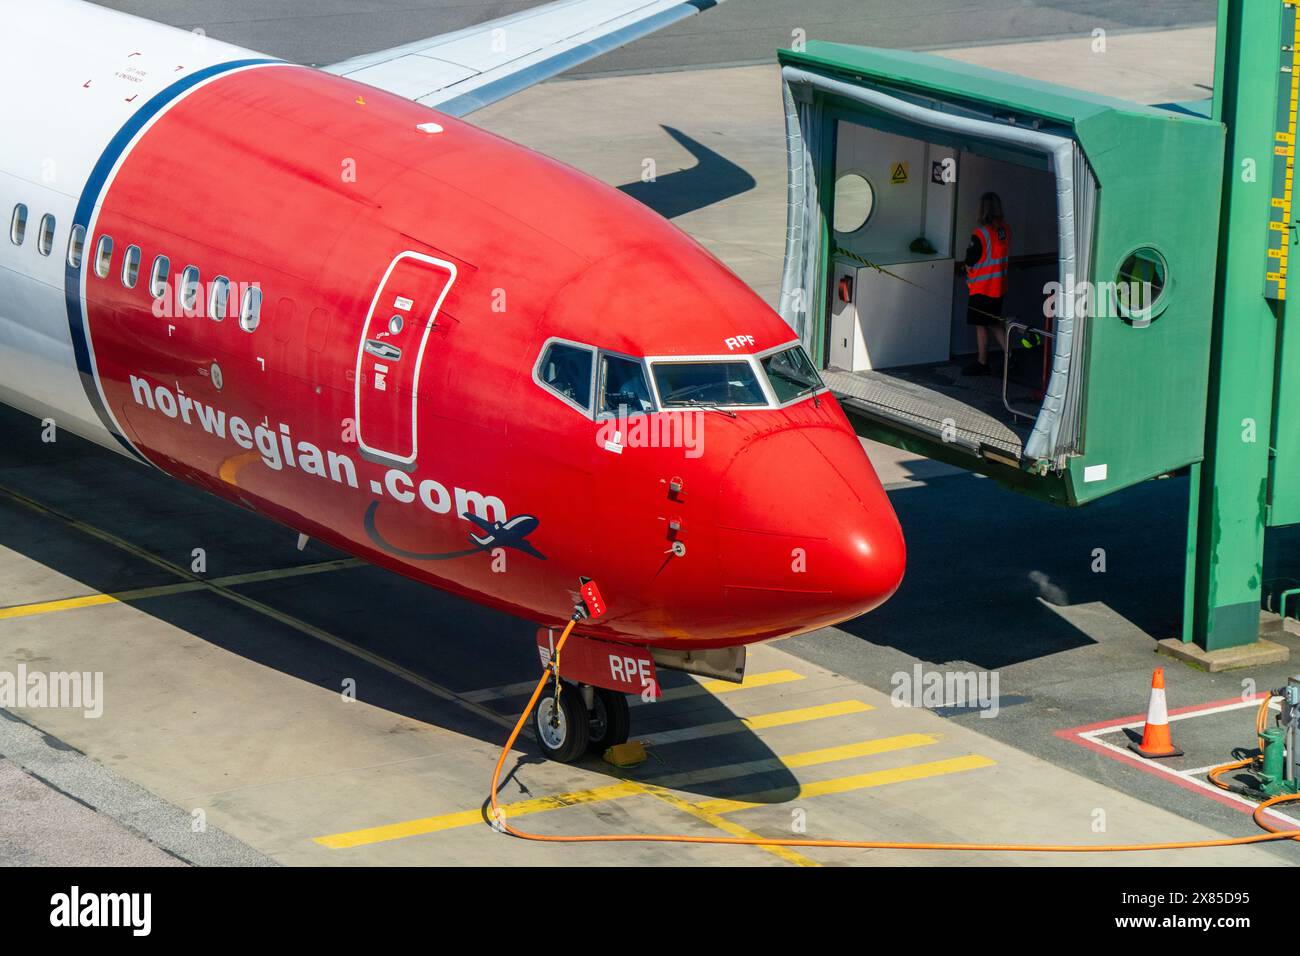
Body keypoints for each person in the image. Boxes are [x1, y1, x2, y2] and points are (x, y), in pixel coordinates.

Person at [961, 192, 1011, 376]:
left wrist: (966, 268)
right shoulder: (1005, 231)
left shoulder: (980, 233)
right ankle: (1009, 357)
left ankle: (983, 362)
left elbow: (971, 258)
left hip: (982, 288)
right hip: (999, 287)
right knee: (994, 322)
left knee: (982, 324)